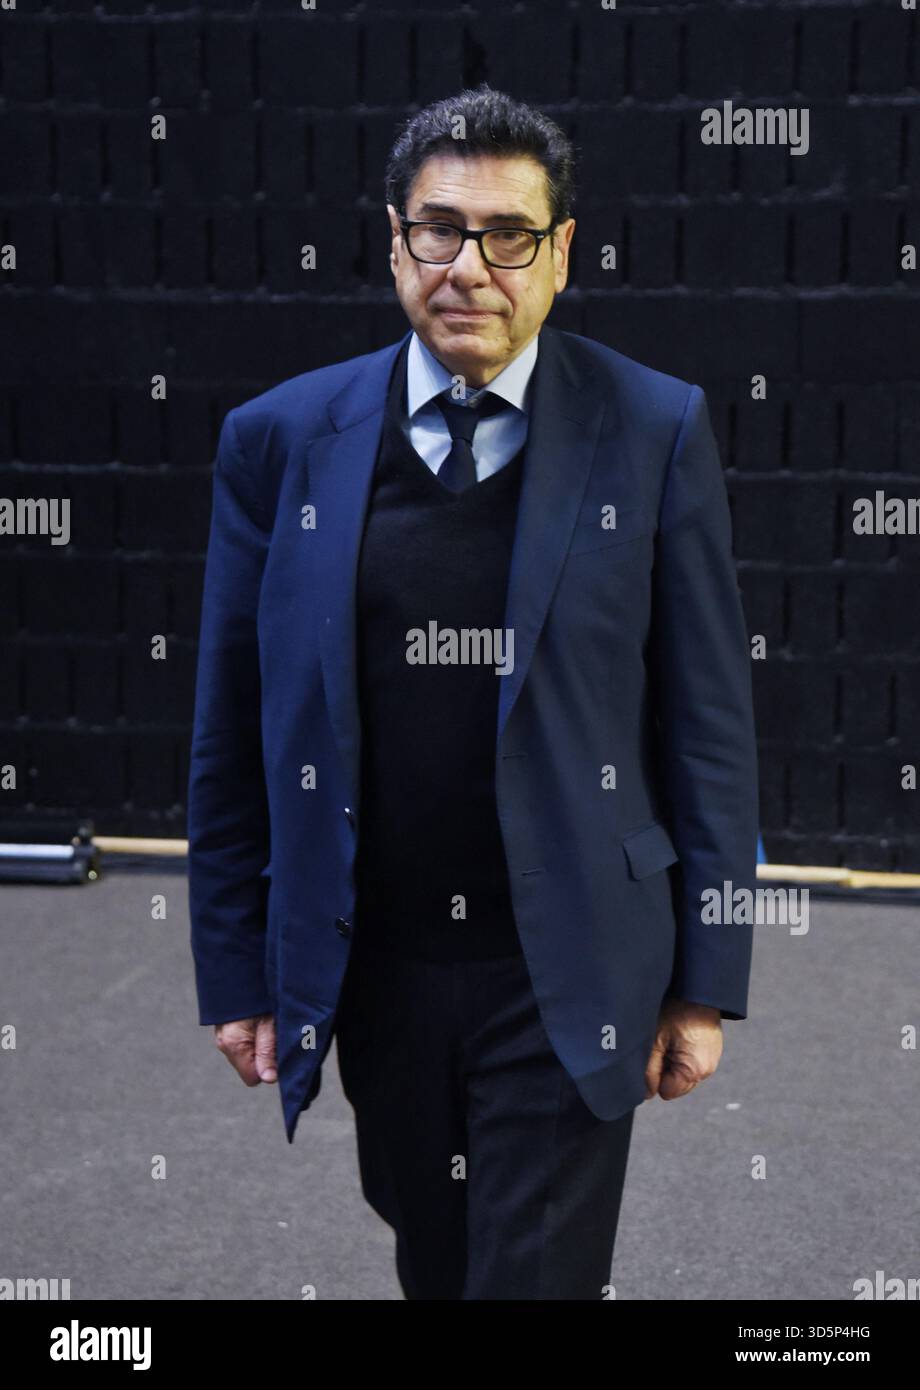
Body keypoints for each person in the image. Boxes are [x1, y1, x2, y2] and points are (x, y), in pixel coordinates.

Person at [188, 85, 759, 1300]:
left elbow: (707, 722)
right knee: (435, 1257)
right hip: (376, 964)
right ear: (393, 240)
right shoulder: (279, 440)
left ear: (558, 253)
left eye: (508, 234)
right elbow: (231, 731)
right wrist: (239, 970)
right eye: (437, 229)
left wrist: (705, 980)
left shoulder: (651, 429)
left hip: (566, 965)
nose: (469, 265)